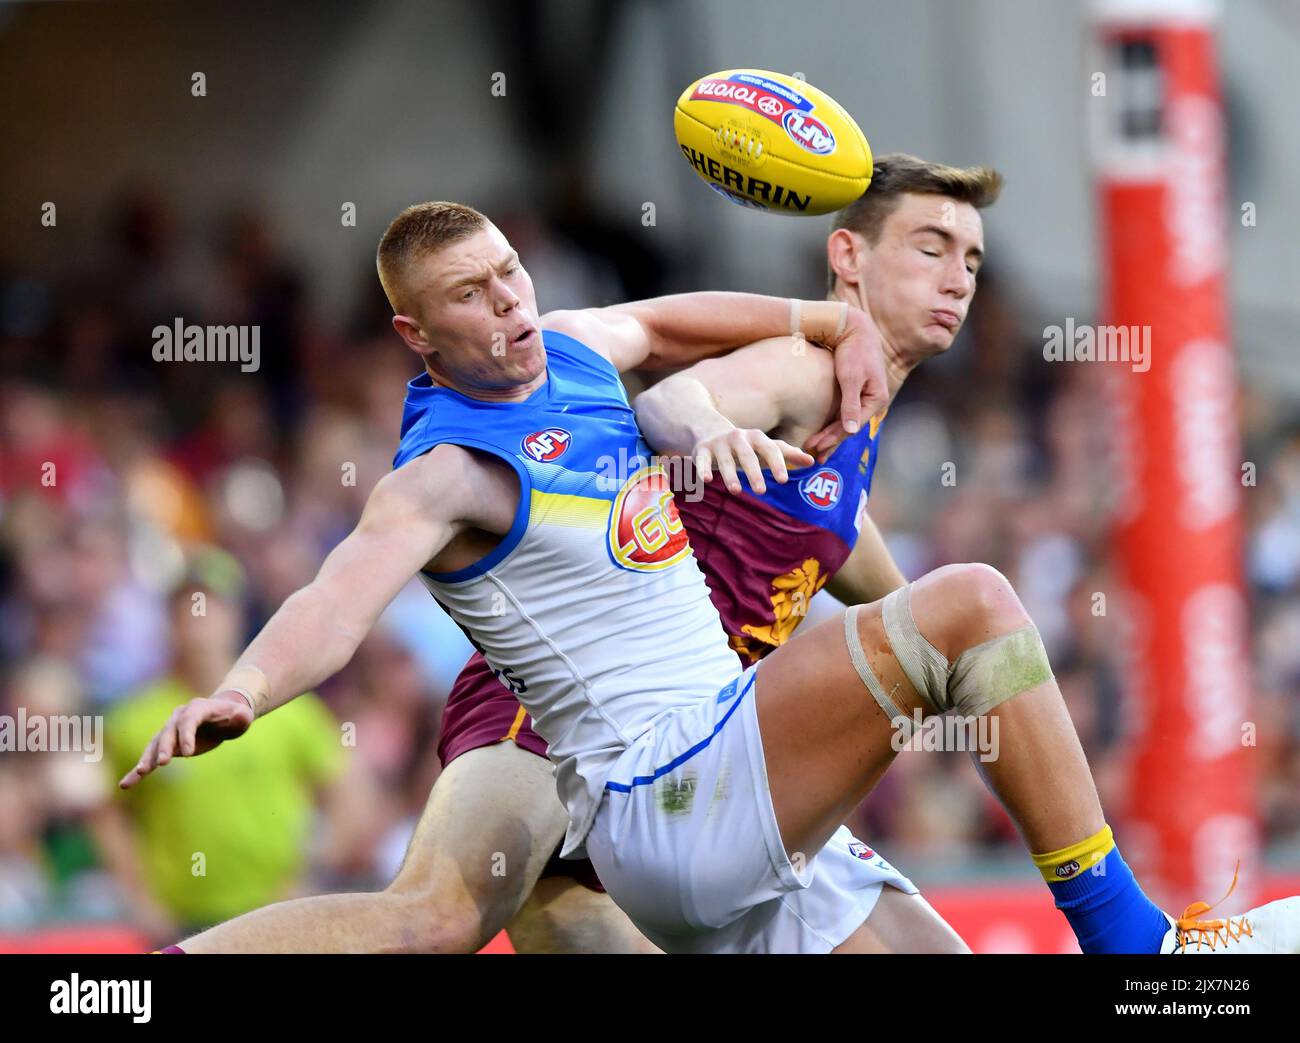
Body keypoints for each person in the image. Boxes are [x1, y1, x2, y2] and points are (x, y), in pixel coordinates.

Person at [124, 195, 1298, 954]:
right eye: (472, 299)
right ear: (418, 337)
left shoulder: (574, 346)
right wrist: (246, 686)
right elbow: (334, 596)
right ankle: (1135, 945)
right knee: (971, 604)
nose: (510, 305)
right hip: (655, 784)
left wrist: (820, 321)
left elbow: (681, 328)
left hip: (731, 785)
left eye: (510, 275)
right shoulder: (443, 474)